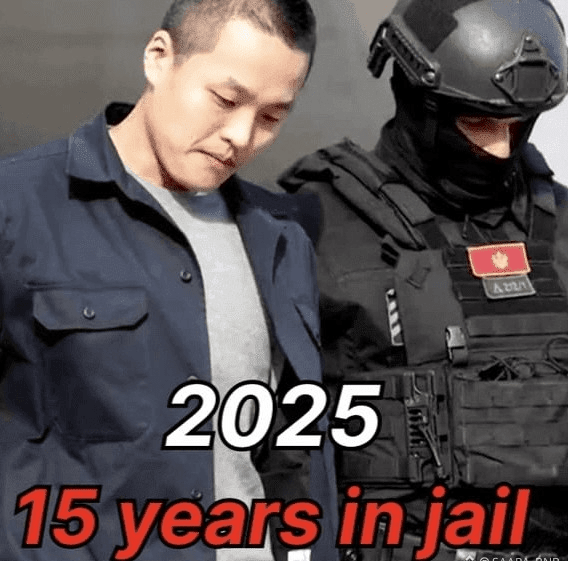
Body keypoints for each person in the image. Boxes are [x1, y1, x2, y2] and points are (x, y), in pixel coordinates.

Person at [0, 1, 339, 560]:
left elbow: (292, 455)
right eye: (225, 99)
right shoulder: (18, 209)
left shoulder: (280, 239)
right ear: (159, 58)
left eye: (272, 117)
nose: (241, 135)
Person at [279, 0, 568, 560]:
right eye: (478, 123)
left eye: (518, 125)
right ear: (416, 100)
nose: (501, 148)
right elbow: (273, 451)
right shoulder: (311, 227)